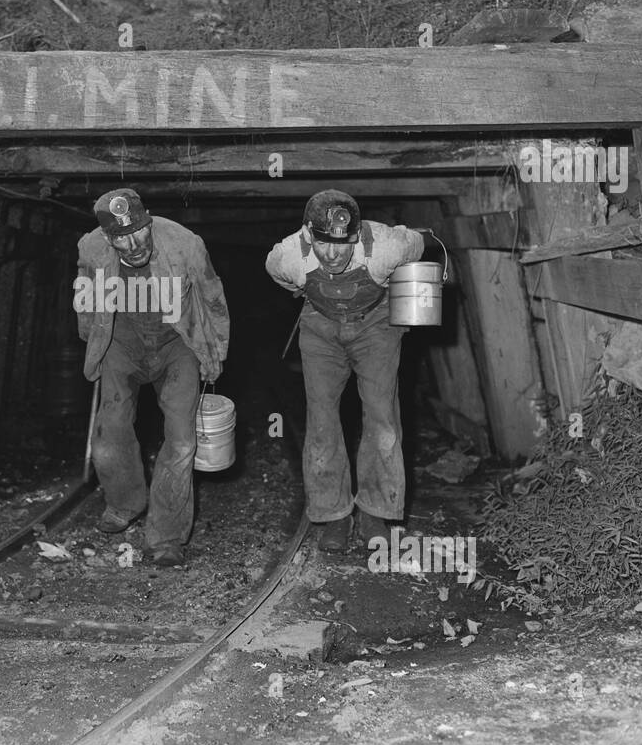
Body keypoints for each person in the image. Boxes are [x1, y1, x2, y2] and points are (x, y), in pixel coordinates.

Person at [74, 188, 229, 566]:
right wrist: (92, 344)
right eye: (121, 238)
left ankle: (167, 536)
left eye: (139, 231)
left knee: (179, 440)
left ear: (148, 220)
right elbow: (85, 297)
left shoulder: (185, 244)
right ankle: (126, 502)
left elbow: (213, 298)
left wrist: (215, 352)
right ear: (108, 237)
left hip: (177, 341)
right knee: (110, 428)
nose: (133, 244)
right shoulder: (90, 248)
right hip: (122, 340)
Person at [265, 190, 426, 552]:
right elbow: (288, 284)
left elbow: (418, 244)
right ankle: (333, 514)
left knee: (382, 418)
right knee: (321, 419)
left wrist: (396, 287)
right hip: (320, 328)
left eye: (345, 244)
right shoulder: (286, 258)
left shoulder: (387, 246)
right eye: (324, 245)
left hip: (376, 326)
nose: (335, 255)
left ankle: (375, 511)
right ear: (308, 234)